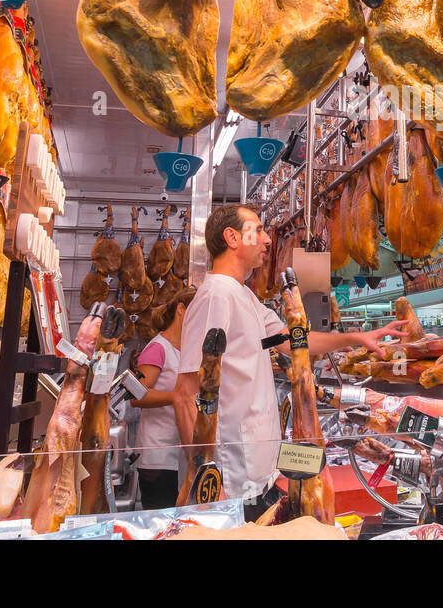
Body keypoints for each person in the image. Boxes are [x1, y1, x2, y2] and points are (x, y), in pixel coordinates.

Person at [172, 203, 410, 521]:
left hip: (258, 473)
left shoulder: (244, 297)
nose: (267, 239)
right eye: (256, 230)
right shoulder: (216, 295)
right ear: (232, 238)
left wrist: (357, 339)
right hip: (229, 483)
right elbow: (185, 393)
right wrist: (204, 477)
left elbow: (294, 341)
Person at [130, 291, 194, 509]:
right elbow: (136, 396)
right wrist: (177, 397)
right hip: (157, 456)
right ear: (181, 309)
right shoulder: (158, 348)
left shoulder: (186, 350)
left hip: (179, 456)